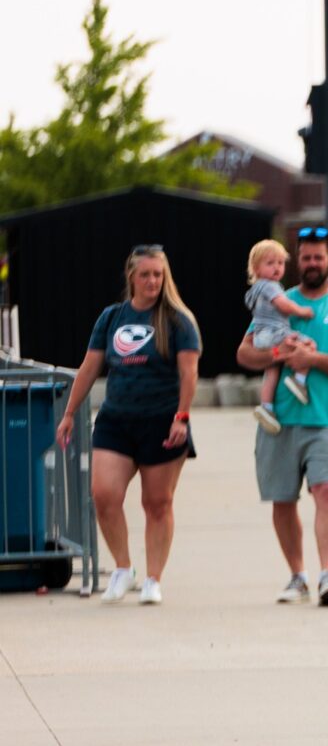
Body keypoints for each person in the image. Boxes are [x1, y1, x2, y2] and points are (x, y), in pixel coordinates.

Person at [55, 245, 202, 605]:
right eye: (145, 275)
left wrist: (182, 417)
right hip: (116, 419)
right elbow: (90, 367)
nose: (152, 281)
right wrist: (70, 413)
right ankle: (123, 569)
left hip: (162, 420)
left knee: (157, 503)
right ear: (132, 277)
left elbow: (189, 373)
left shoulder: (178, 320)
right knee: (104, 495)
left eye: (158, 274)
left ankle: (153, 579)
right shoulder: (112, 317)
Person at [235, 226, 328, 606]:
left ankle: (327, 575)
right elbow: (244, 353)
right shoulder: (276, 300)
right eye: (306, 257)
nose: (312, 263)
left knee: (326, 490)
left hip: (325, 421)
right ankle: (298, 577)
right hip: (278, 422)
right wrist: (278, 355)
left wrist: (314, 359)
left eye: (318, 257)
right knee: (282, 500)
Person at [244, 239, 317, 434]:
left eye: (280, 263)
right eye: (270, 263)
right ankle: (299, 380)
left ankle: (266, 407)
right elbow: (284, 305)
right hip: (275, 332)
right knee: (309, 344)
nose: (277, 268)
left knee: (272, 370)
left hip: (260, 337)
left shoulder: (254, 290)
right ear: (256, 269)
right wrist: (302, 311)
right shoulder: (270, 286)